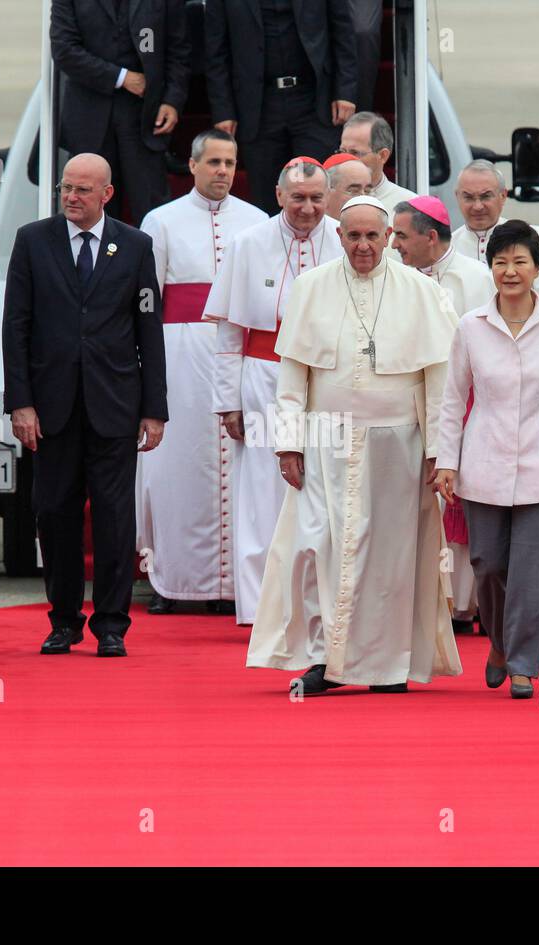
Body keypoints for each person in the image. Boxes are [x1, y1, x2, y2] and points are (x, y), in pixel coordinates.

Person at [246, 195, 461, 693]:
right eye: (352, 236)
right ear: (338, 237)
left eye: (373, 236)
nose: (363, 246)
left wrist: (439, 452)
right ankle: (326, 659)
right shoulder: (311, 287)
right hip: (326, 441)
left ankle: (388, 666)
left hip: (399, 445)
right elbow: (293, 374)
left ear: (390, 238)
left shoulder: (420, 291)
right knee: (319, 547)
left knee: (392, 556)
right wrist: (288, 444)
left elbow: (439, 381)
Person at [3, 153, 167, 657]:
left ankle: (112, 623)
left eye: (82, 190)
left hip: (115, 404)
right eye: (66, 188)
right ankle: (64, 620)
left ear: (106, 195)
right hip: (52, 408)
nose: (71, 197)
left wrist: (154, 408)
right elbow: (16, 327)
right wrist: (21, 404)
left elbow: (148, 329)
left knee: (116, 517)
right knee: (54, 512)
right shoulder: (34, 241)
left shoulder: (136, 246)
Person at [435, 220, 539, 698]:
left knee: (529, 569)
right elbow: (451, 398)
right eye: (501, 262)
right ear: (491, 269)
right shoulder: (471, 326)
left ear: (536, 269)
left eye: (519, 262)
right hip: (483, 459)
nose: (510, 271)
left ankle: (523, 663)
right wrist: (447, 461)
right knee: (487, 562)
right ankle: (499, 642)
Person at [136, 129, 266, 615]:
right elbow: (147, 302)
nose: (222, 171)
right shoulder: (161, 221)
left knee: (241, 471)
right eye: (213, 162)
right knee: (178, 470)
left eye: (230, 163)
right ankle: (177, 584)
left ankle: (238, 589)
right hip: (180, 357)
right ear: (191, 166)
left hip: (240, 353)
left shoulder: (256, 222)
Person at [206, 158, 341, 626]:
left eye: (317, 198)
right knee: (263, 492)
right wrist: (228, 401)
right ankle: (262, 607)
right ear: (280, 196)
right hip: (263, 376)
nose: (307, 208)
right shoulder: (248, 243)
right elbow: (228, 332)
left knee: (324, 486)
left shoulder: (346, 239)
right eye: (298, 197)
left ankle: (321, 604)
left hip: (328, 380)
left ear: (329, 198)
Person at [392, 195, 494, 632]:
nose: (392, 244)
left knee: (460, 502)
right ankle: (423, 600)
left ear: (430, 237)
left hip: (463, 401)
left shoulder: (476, 277)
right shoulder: (393, 276)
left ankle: (465, 605)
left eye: (401, 235)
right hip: (406, 399)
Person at [205, 0, 357, 216]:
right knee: (265, 200)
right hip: (258, 105)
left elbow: (343, 31)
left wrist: (344, 92)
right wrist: (223, 109)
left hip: (312, 99)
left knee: (317, 190)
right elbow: (215, 51)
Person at [49, 0, 191, 227]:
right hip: (90, 119)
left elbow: (178, 49)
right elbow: (64, 50)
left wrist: (172, 100)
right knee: (90, 211)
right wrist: (122, 77)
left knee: (152, 208)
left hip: (145, 117)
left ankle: (154, 261)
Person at [452, 159, 539, 305]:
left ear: (502, 196)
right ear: (457, 197)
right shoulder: (449, 247)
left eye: (486, 196)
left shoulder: (534, 237)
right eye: (469, 197)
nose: (477, 206)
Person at [339, 111, 415, 211]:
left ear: (383, 156)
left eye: (355, 153)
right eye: (342, 151)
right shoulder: (327, 198)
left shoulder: (409, 207)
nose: (346, 159)